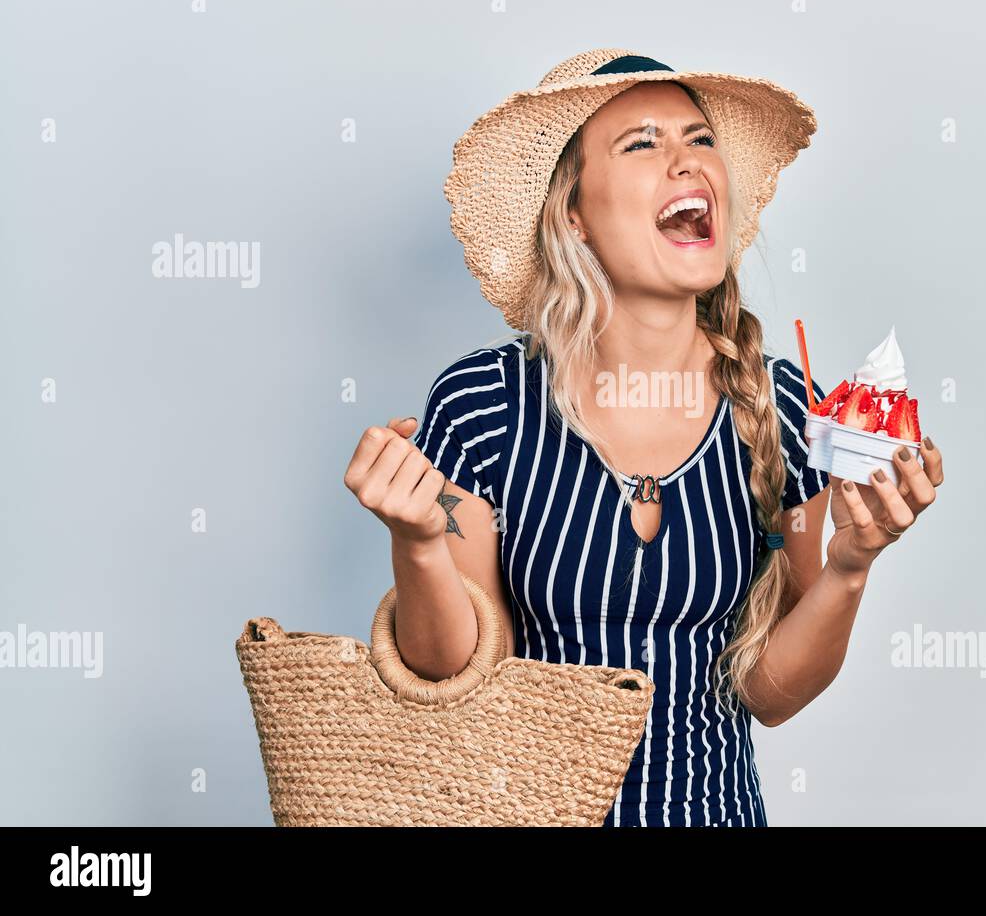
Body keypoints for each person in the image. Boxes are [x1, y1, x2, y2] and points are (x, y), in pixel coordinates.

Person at [343, 49, 945, 826]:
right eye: (642, 144)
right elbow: (457, 677)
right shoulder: (482, 404)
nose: (686, 163)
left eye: (700, 140)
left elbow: (769, 694)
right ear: (574, 214)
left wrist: (852, 566)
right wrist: (419, 541)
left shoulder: (785, 405)